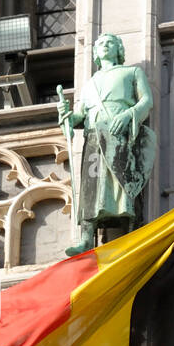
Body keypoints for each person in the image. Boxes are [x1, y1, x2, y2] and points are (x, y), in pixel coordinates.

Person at [56, 33, 157, 256]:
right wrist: (67, 116)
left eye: (110, 42)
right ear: (95, 53)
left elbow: (146, 101)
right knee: (92, 185)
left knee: (124, 183)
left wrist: (129, 114)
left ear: (119, 49)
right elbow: (79, 116)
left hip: (120, 134)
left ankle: (131, 230)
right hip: (93, 136)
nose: (104, 46)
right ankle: (86, 238)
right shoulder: (90, 83)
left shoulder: (131, 72)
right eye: (100, 43)